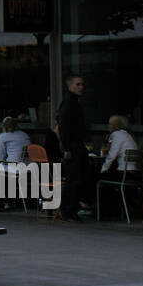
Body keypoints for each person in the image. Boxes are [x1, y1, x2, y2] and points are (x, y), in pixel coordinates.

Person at [56, 74, 91, 221]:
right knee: (74, 178)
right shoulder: (69, 103)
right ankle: (67, 210)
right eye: (78, 84)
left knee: (79, 177)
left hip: (76, 144)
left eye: (82, 84)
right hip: (73, 145)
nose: (81, 87)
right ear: (70, 85)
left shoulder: (73, 102)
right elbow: (63, 127)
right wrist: (67, 148)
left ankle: (71, 208)